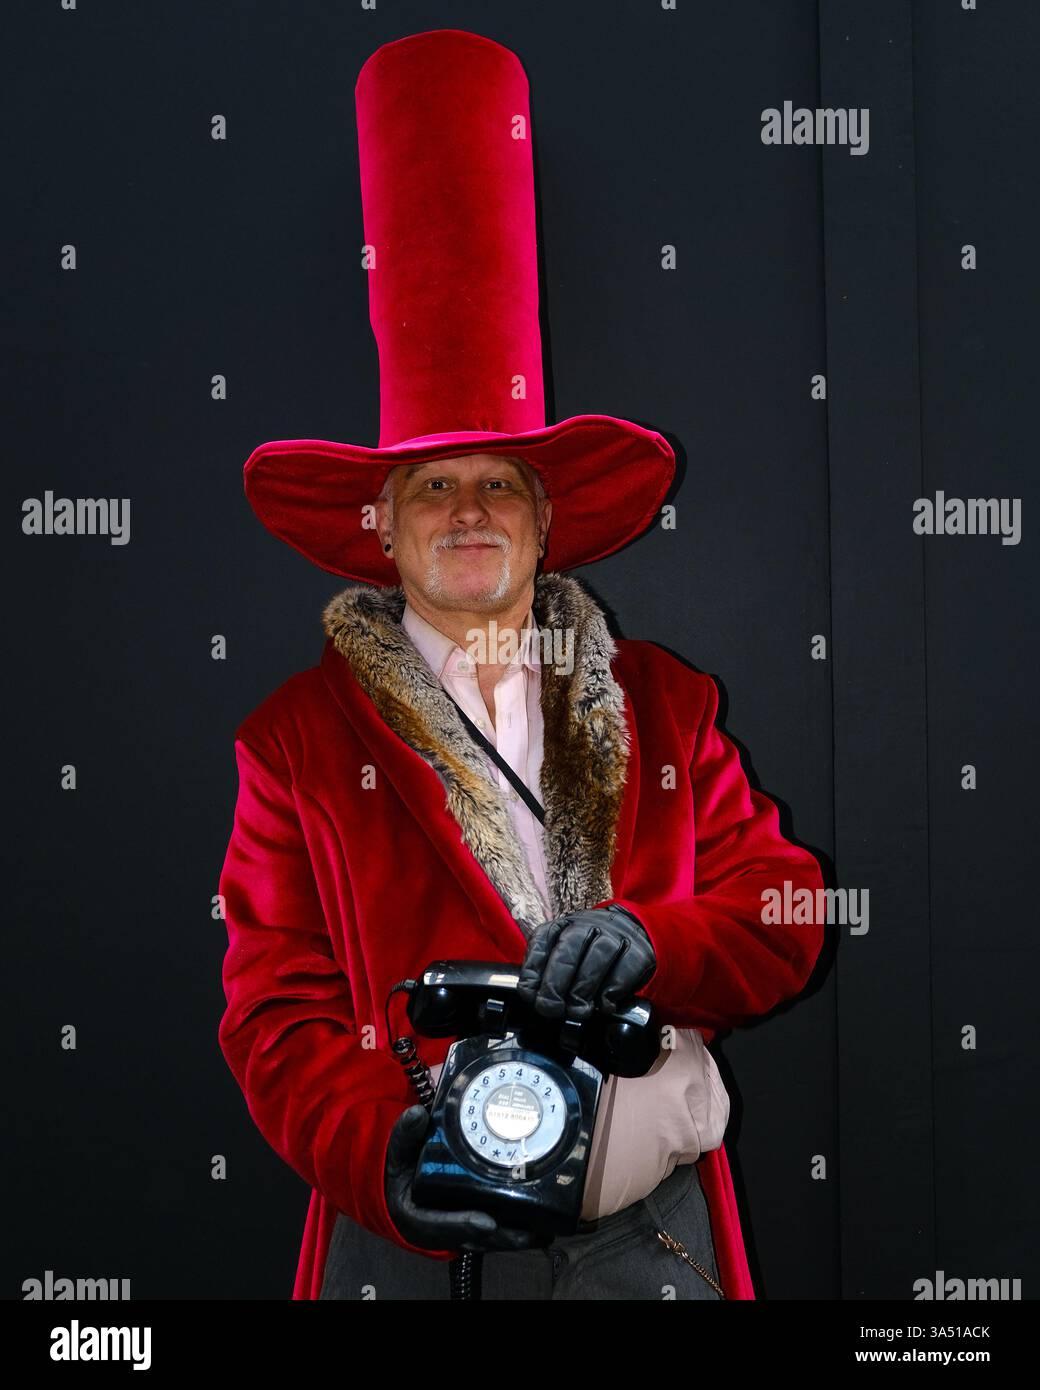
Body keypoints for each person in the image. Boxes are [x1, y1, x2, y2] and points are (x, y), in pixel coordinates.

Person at [215, 27, 825, 1301]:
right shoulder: (295, 741)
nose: (468, 509)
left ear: (546, 524)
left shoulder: (666, 702)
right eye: (431, 485)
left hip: (645, 1246)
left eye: (501, 482)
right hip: (408, 1241)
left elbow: (784, 908)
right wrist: (384, 1158)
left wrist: (652, 942)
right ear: (381, 527)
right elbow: (275, 1013)